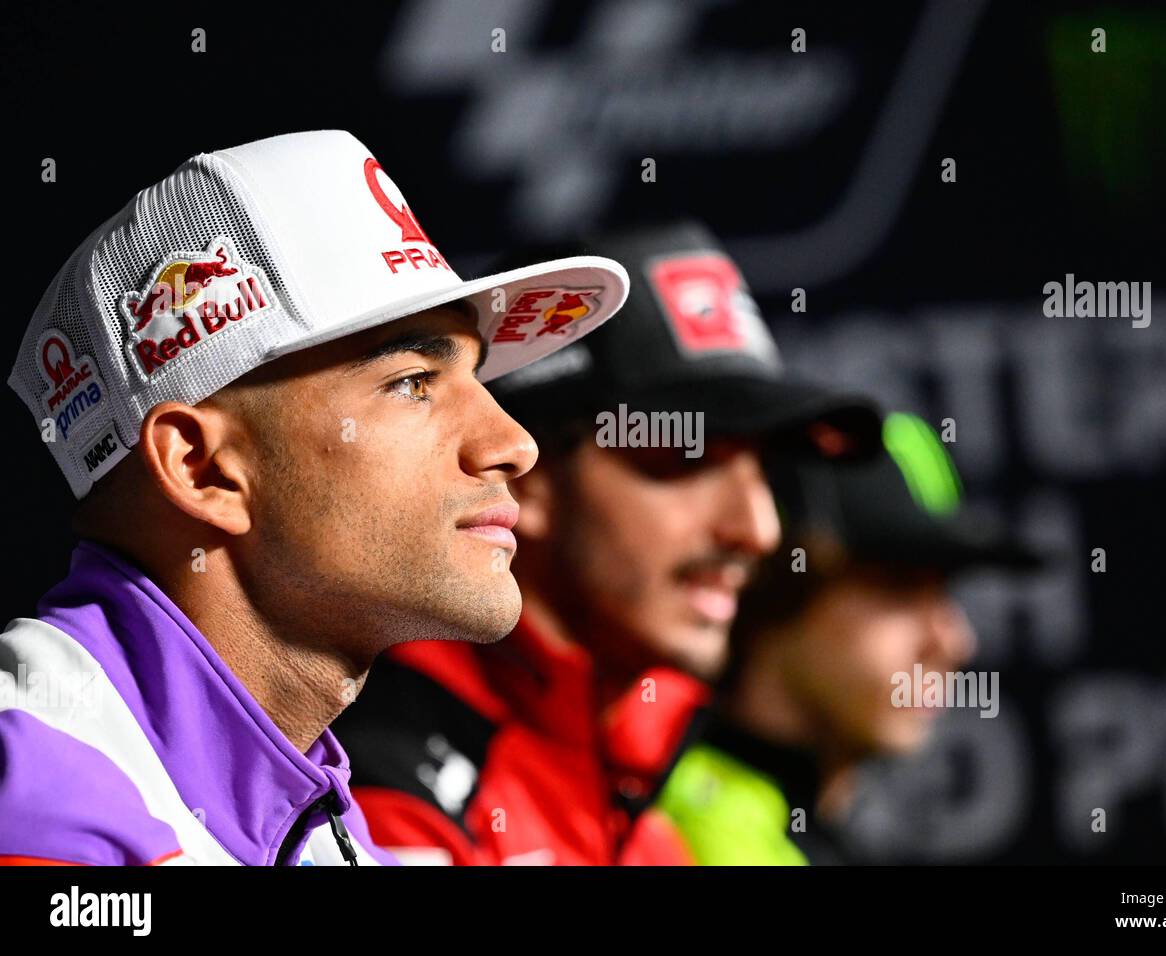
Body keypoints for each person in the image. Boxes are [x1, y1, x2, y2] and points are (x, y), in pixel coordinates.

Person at [0, 129, 629, 866]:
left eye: (477, 381)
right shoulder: (38, 799)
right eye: (411, 384)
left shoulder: (322, 825)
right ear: (204, 468)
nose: (514, 444)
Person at [332, 221, 881, 864]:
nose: (756, 530)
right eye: (686, 457)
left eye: (761, 468)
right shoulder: (371, 786)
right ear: (527, 479)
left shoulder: (642, 780)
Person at [656, 412, 1043, 864]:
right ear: (775, 585)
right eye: (898, 585)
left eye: (945, 591)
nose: (954, 641)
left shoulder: (797, 828)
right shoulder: (684, 834)